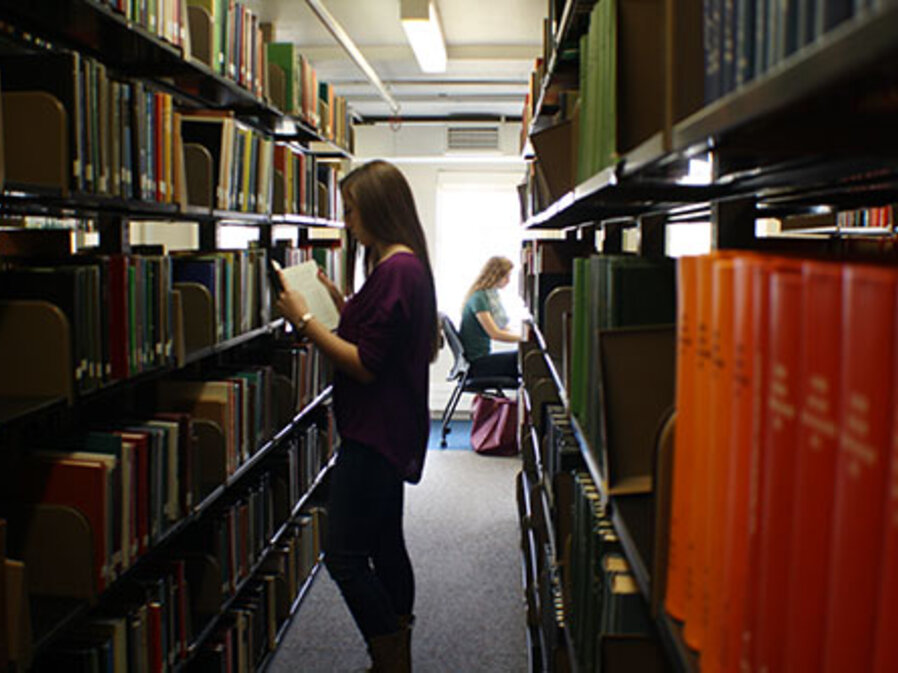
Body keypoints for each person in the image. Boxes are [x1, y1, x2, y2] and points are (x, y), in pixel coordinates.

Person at [275, 160, 438, 673]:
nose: (347, 220)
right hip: (391, 429)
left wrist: (303, 319)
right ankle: (400, 649)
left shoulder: (396, 270)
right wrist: (340, 302)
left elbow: (366, 364)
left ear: (377, 209)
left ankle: (389, 656)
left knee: (343, 556)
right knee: (387, 542)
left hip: (373, 433)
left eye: (351, 209)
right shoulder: (403, 265)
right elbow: (381, 335)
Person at [458, 255, 522, 379]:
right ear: (496, 275)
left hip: (478, 361)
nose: (508, 280)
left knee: (521, 358)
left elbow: (501, 327)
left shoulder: (487, 295)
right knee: (522, 358)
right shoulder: (479, 298)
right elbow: (495, 334)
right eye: (506, 276)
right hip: (476, 365)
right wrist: (523, 339)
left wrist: (520, 335)